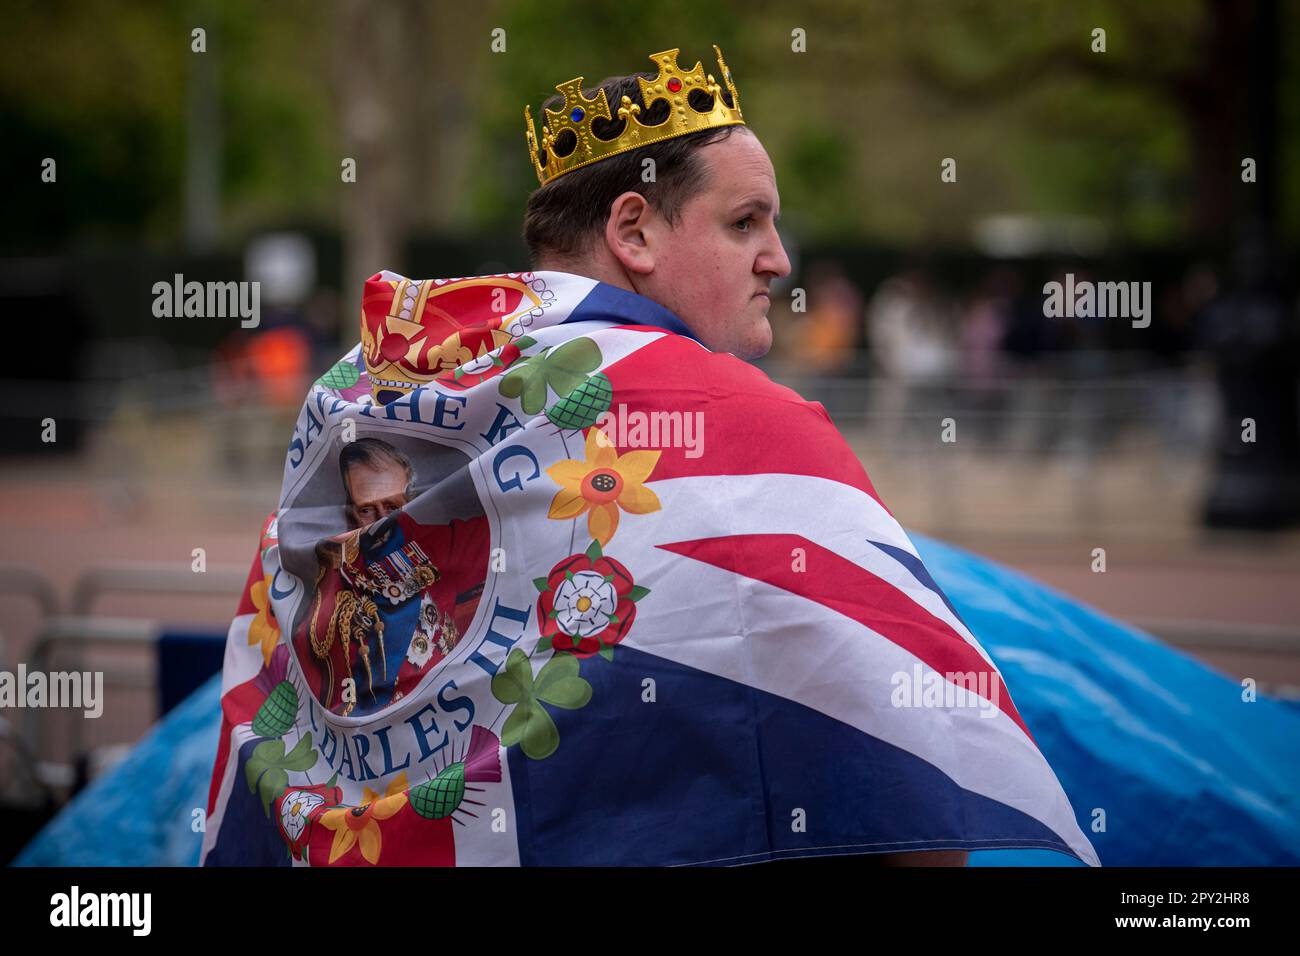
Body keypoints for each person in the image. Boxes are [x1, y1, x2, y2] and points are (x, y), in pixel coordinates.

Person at [202, 46, 1097, 868]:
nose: (779, 260)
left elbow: (275, 667)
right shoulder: (743, 426)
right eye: (746, 222)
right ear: (634, 232)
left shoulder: (354, 397)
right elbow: (921, 798)